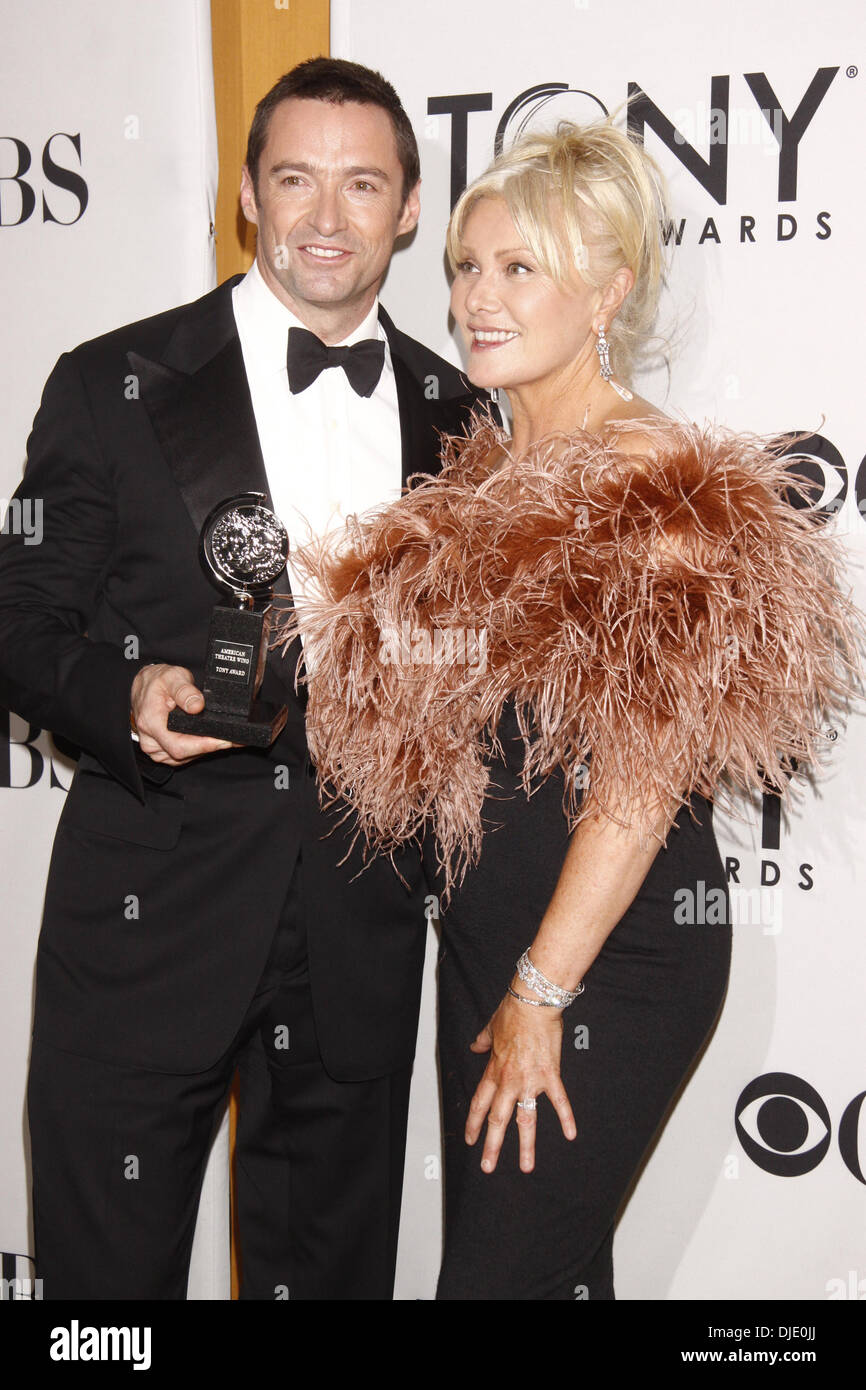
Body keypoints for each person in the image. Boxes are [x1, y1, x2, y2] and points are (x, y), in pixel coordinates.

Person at [277, 121, 861, 1299]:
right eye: (463, 265)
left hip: (606, 951)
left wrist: (544, 990)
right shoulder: (474, 479)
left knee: (496, 1283)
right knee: (552, 1277)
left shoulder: (660, 487)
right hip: (494, 930)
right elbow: (457, 700)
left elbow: (641, 784)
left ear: (607, 290)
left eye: (516, 267)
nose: (475, 300)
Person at [0, 57, 488, 1300]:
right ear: (246, 196)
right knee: (102, 1300)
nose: (327, 218)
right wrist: (119, 695)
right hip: (148, 919)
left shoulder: (466, 417)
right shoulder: (112, 381)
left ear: (411, 206)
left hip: (358, 927)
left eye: (362, 184)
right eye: (296, 181)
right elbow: (18, 611)